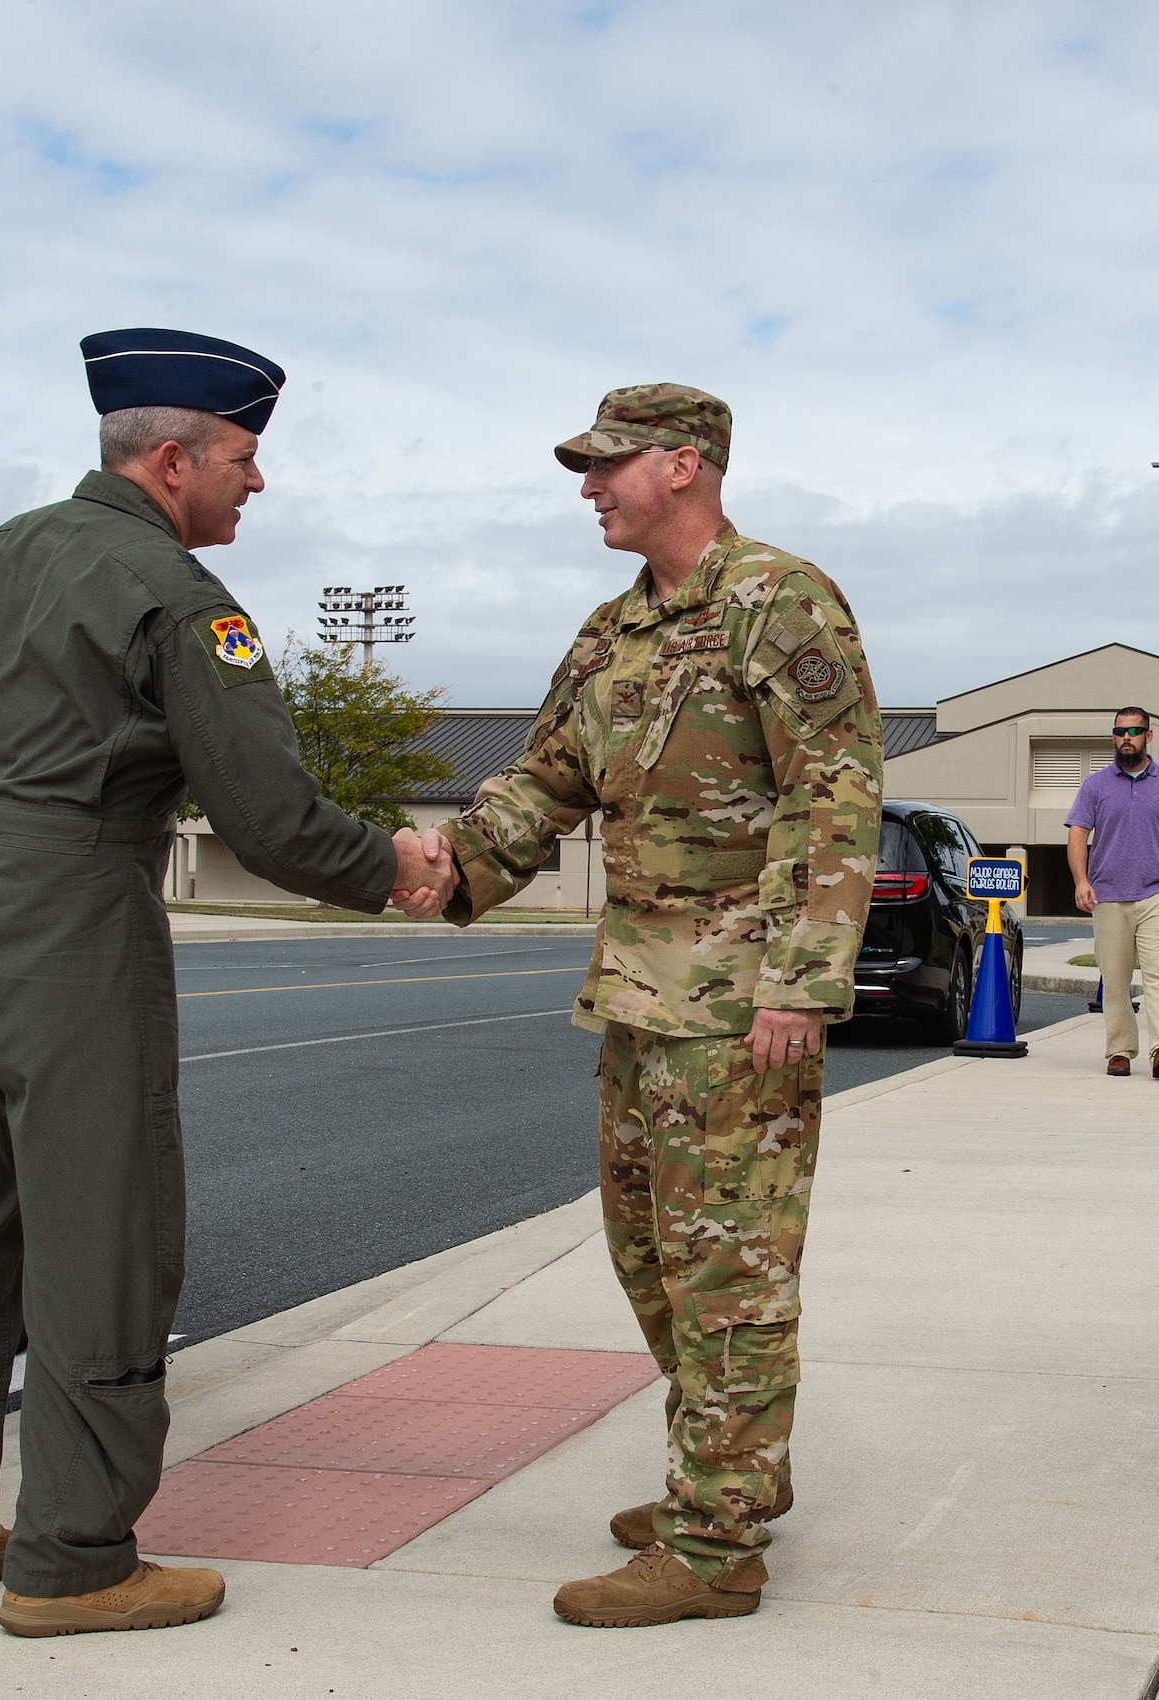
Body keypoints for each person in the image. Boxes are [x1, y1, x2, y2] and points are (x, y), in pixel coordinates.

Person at [0, 328, 454, 1636]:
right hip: (74, 911)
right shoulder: (180, 599)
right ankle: (75, 1557)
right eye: (247, 459)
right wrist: (397, 867)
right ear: (176, 458)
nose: (260, 483)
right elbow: (271, 819)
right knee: (106, 1233)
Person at [433, 384, 882, 1628]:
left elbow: (833, 796)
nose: (589, 485)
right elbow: (541, 778)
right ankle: (731, 1471)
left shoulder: (779, 600)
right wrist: (445, 867)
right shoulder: (613, 631)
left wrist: (800, 981)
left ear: (683, 465)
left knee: (727, 1272)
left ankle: (714, 1542)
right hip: (637, 996)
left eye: (608, 465)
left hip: (739, 1007)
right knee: (648, 1259)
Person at [1065, 709, 1159, 1079]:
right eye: (1120, 731)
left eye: (1135, 731)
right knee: (1114, 979)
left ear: (1149, 735)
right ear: (1113, 736)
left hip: (1158, 891)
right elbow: (1078, 833)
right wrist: (1081, 881)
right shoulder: (1095, 785)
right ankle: (1120, 1051)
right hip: (1108, 895)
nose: (1127, 737)